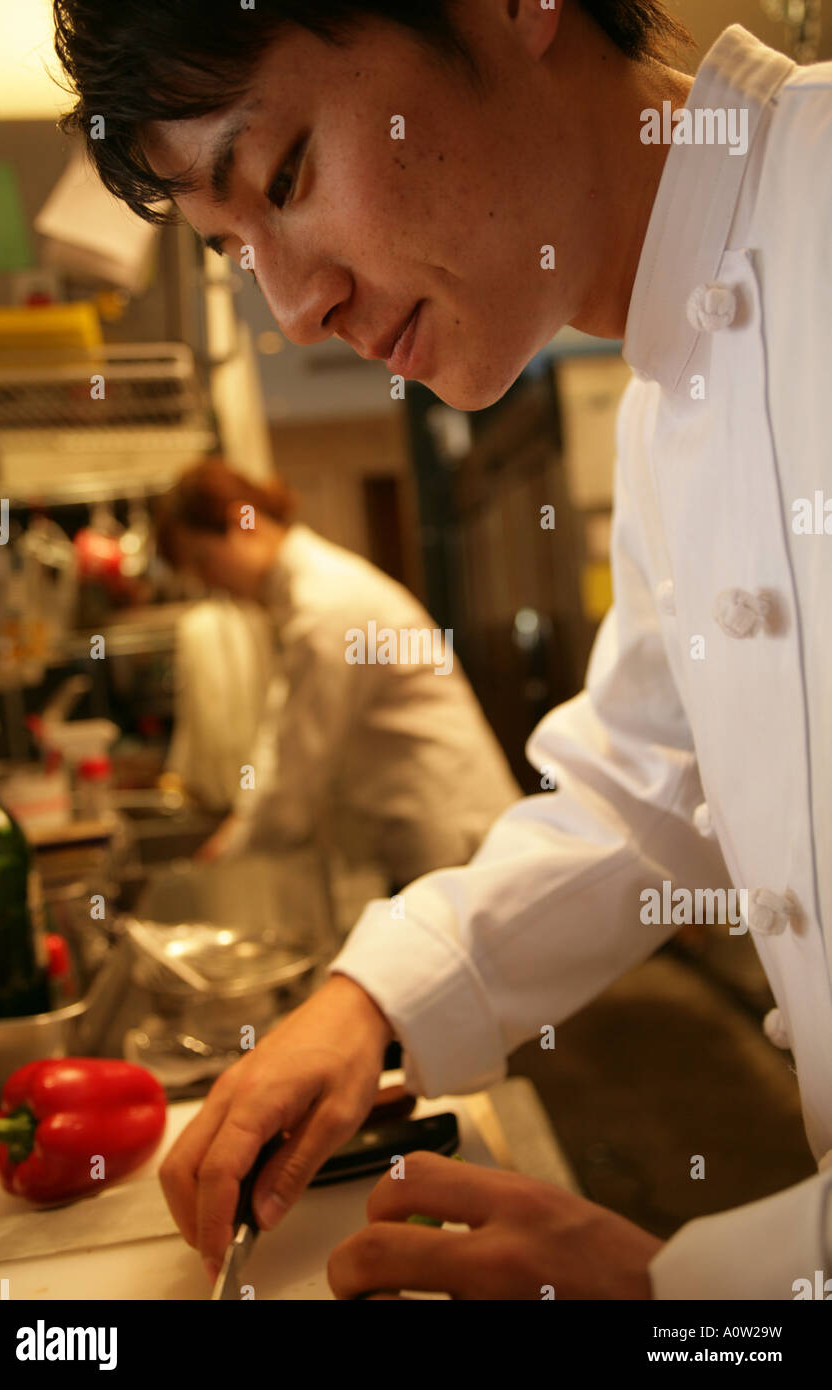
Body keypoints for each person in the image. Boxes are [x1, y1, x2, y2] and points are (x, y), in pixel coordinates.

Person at [53, 0, 832, 1300]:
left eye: (287, 173)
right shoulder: (659, 404)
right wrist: (374, 997)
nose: (295, 307)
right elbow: (641, 788)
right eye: (236, 245)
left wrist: (699, 1285)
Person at [153, 457, 521, 885]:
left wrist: (218, 868)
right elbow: (284, 740)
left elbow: (292, 777)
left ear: (243, 522)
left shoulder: (326, 611)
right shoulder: (306, 598)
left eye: (203, 560)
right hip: (434, 843)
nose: (209, 581)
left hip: (454, 845)